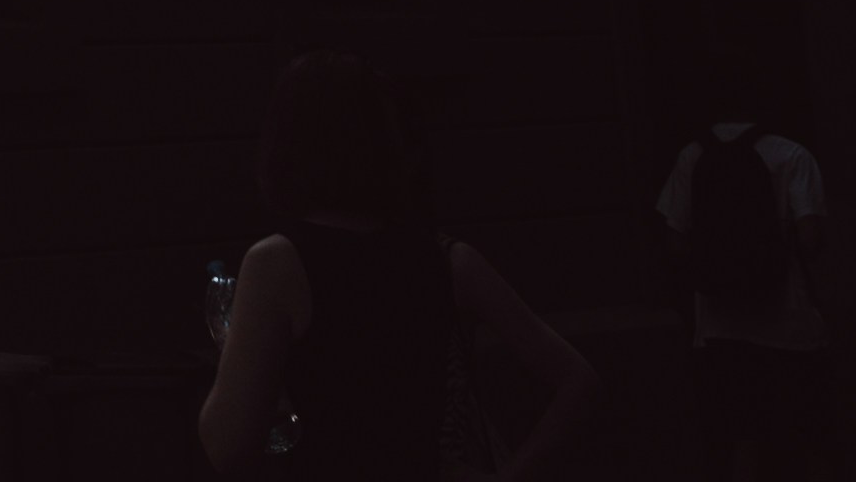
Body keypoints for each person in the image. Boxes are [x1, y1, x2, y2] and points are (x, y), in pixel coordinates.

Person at [202, 53, 590, 482]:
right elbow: (578, 382)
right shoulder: (449, 260)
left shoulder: (276, 264)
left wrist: (238, 355)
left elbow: (226, 447)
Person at [661, 94, 831, 481]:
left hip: (720, 328)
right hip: (792, 324)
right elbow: (811, 240)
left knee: (744, 437)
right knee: (811, 437)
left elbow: (675, 243)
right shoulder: (792, 155)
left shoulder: (692, 156)